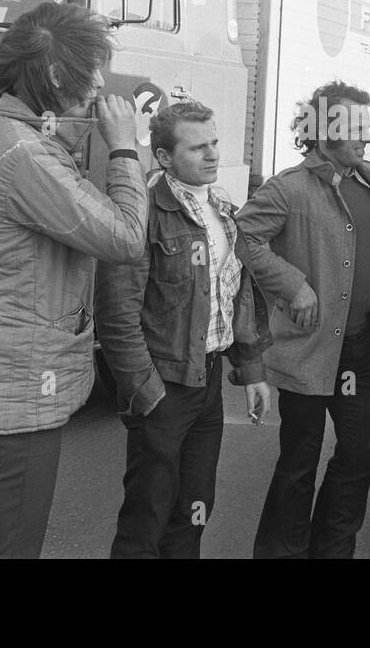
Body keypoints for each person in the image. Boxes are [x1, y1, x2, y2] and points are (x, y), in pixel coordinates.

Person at [0, 1, 149, 559]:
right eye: (90, 77)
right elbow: (125, 237)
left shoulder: (0, 132)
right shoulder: (24, 155)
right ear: (54, 77)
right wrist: (124, 145)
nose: (99, 92)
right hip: (13, 397)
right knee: (8, 547)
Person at [238, 80, 370, 558]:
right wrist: (292, 283)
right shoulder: (287, 189)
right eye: (358, 126)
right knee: (298, 463)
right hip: (309, 349)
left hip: (358, 348)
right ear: (324, 128)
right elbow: (245, 237)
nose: (368, 136)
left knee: (356, 459)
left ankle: (332, 550)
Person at [95, 100, 272, 559]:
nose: (212, 154)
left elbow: (238, 294)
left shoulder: (223, 210)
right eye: (198, 148)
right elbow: (117, 315)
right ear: (165, 157)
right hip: (163, 388)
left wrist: (251, 371)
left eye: (214, 143)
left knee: (194, 509)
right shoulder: (145, 213)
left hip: (207, 383)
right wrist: (146, 392)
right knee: (146, 516)